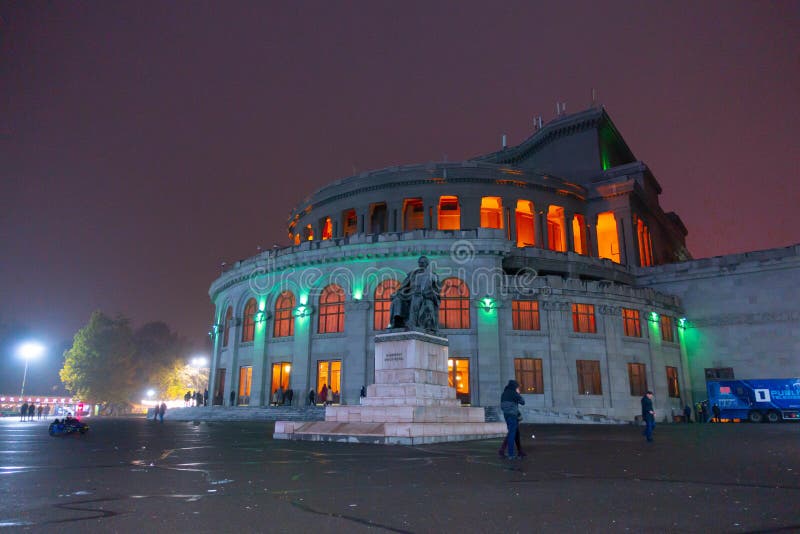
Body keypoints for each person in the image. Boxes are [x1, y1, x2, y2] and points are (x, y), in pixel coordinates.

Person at [388, 256, 441, 331]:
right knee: (397, 300)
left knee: (416, 298)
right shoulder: (412, 274)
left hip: (425, 295)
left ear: (427, 264)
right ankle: (397, 321)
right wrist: (396, 293)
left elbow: (437, 289)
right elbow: (404, 286)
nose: (421, 264)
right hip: (409, 294)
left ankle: (412, 323)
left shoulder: (433, 276)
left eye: (423, 263)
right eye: (420, 263)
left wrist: (428, 293)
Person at [500, 379, 525, 459]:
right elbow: (523, 402)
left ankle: (519, 451)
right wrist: (518, 393)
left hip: (506, 415)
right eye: (517, 387)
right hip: (513, 416)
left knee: (515, 433)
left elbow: (503, 405)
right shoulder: (514, 393)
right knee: (512, 434)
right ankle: (511, 454)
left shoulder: (504, 393)